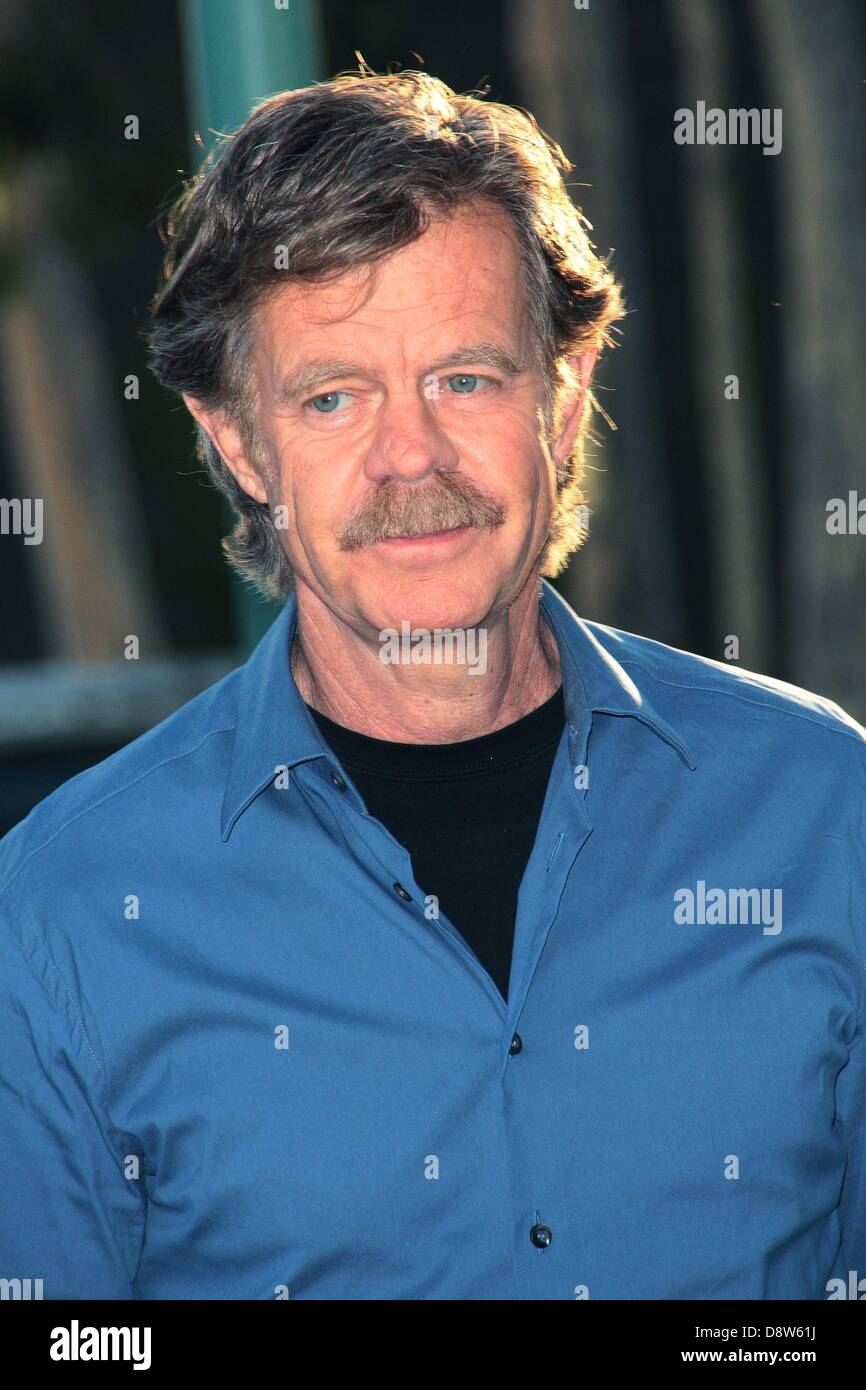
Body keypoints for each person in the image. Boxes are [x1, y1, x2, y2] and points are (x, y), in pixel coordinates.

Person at [1, 70, 863, 1301]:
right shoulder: (62, 913)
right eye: (334, 397)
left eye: (464, 377)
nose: (411, 456)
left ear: (561, 403)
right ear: (242, 444)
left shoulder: (825, 809)